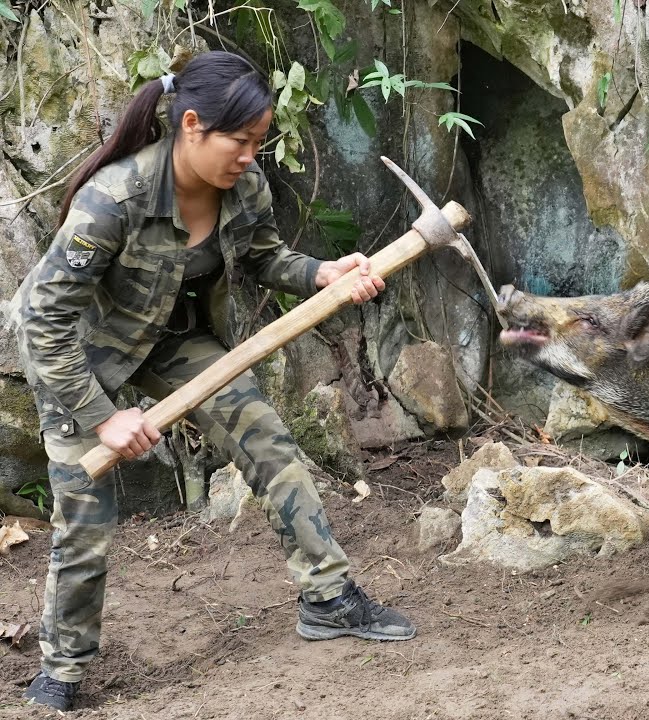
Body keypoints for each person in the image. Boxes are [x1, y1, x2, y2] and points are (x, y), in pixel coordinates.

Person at [7, 51, 415, 712]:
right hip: (84, 360)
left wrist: (323, 274)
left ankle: (328, 597)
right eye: (242, 140)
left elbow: (263, 256)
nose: (252, 155)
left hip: (174, 344)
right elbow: (42, 319)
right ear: (191, 125)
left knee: (270, 441)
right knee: (85, 510)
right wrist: (100, 414)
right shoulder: (113, 199)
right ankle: (63, 668)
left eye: (260, 142)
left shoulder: (243, 187)